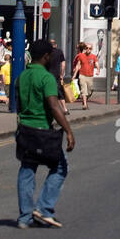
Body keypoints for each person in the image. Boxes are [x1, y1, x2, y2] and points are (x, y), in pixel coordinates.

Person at [15, 37, 75, 228]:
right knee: (59, 167)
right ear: (46, 56)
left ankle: (25, 217)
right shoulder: (47, 78)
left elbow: (18, 104)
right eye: (50, 55)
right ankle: (44, 208)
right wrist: (68, 131)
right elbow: (54, 107)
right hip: (42, 131)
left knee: (27, 170)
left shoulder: (21, 77)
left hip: (24, 130)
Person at [73, 43, 97, 109]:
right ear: (85, 49)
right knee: (84, 90)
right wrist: (74, 75)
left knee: (90, 90)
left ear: (91, 49)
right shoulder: (81, 56)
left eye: (89, 48)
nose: (88, 49)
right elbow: (78, 65)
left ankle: (85, 100)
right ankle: (85, 105)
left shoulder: (93, 56)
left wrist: (98, 70)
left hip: (90, 76)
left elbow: (97, 64)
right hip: (82, 75)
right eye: (86, 48)